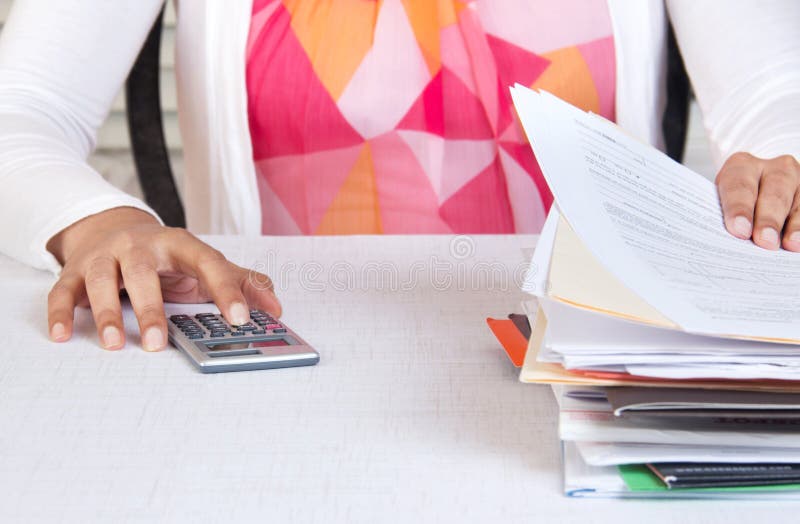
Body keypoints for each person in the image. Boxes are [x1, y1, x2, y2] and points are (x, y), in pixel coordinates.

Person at [0, 0, 797, 352]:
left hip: (584, 382)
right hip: (269, 371)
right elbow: (22, 108)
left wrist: (780, 166)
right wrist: (101, 224)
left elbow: (775, 97)